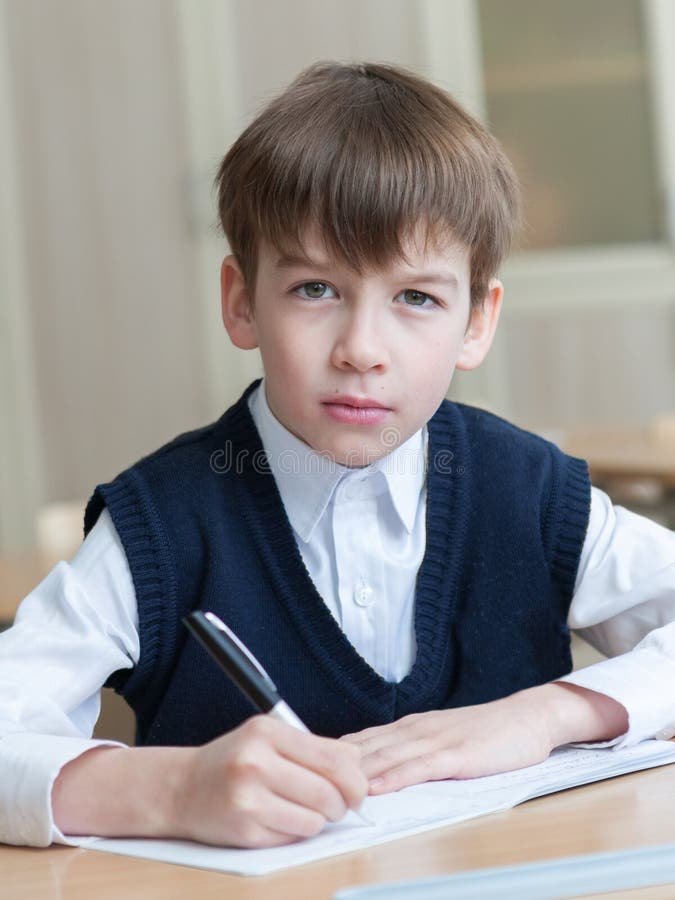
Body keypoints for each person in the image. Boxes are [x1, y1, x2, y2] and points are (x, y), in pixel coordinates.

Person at [1, 61, 675, 851]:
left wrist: (545, 715)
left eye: (415, 298)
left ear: (475, 322)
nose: (361, 350)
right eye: (315, 289)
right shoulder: (167, 522)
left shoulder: (517, 488)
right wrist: (169, 790)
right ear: (241, 300)